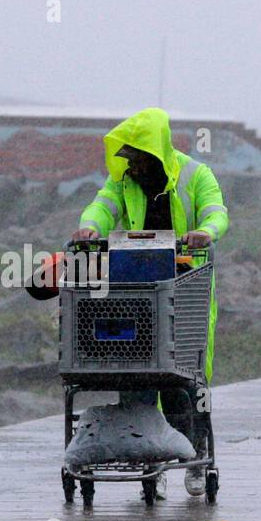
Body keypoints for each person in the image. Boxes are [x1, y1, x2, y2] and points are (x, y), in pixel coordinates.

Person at [71, 107, 229, 497]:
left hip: (183, 284)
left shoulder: (196, 175)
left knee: (183, 380)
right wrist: (91, 225)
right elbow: (103, 206)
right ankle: (149, 462)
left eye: (136, 157)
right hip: (138, 287)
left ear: (154, 152)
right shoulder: (124, 182)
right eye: (127, 158)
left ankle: (195, 453)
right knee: (138, 372)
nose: (131, 165)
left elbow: (216, 212)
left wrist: (205, 232)